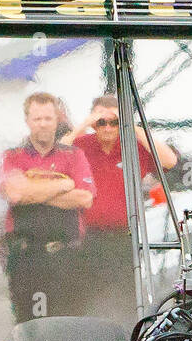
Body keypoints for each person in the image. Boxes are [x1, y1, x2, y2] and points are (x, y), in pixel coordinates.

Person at [70, 94, 177, 321]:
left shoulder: (133, 145)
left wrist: (132, 125)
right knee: (86, 297)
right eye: (102, 122)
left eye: (114, 122)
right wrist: (84, 124)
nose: (107, 128)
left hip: (124, 236)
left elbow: (169, 161)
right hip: (87, 236)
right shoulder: (82, 145)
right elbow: (56, 153)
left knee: (126, 297)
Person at [0, 93, 96, 324]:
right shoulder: (13, 157)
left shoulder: (74, 155)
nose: (43, 124)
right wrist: (63, 184)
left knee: (67, 325)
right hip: (25, 257)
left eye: (48, 118)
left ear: (56, 120)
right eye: (37, 118)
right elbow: (15, 193)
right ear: (27, 121)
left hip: (64, 257)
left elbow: (84, 198)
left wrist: (32, 191)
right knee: (27, 326)